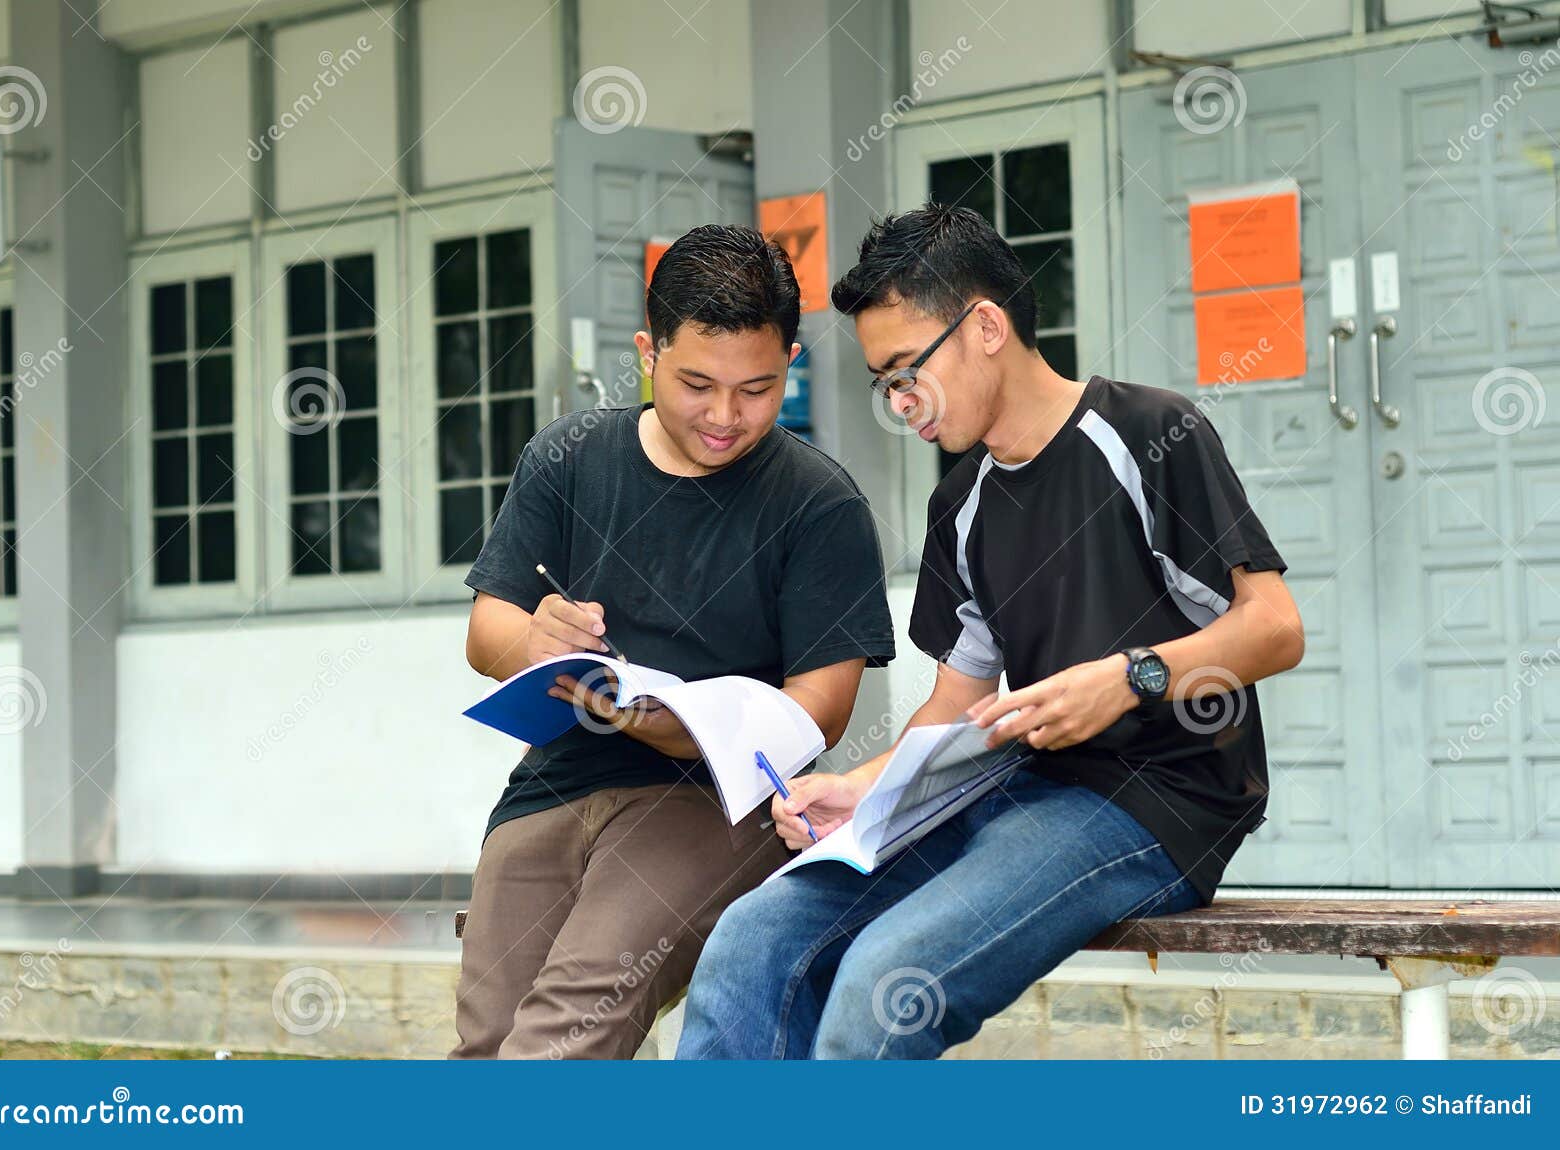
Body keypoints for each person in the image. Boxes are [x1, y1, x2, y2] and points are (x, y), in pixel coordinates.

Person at [676, 202, 1305, 1060]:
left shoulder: (1148, 433)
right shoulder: (961, 503)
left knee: (878, 989)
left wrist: (1129, 676)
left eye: (908, 370)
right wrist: (864, 787)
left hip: (1157, 802)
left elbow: (1275, 627)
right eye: (883, 382)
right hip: (1010, 789)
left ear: (985, 326)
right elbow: (958, 700)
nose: (900, 403)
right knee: (749, 943)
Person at [449, 224, 896, 1059]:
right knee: (488, 1045)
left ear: (790, 362)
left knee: (565, 1028)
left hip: (711, 802)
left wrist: (676, 723)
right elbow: (488, 632)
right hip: (556, 782)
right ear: (648, 353)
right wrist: (538, 640)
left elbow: (824, 709)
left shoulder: (817, 504)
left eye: (757, 389)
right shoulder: (569, 458)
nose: (726, 417)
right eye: (697, 383)